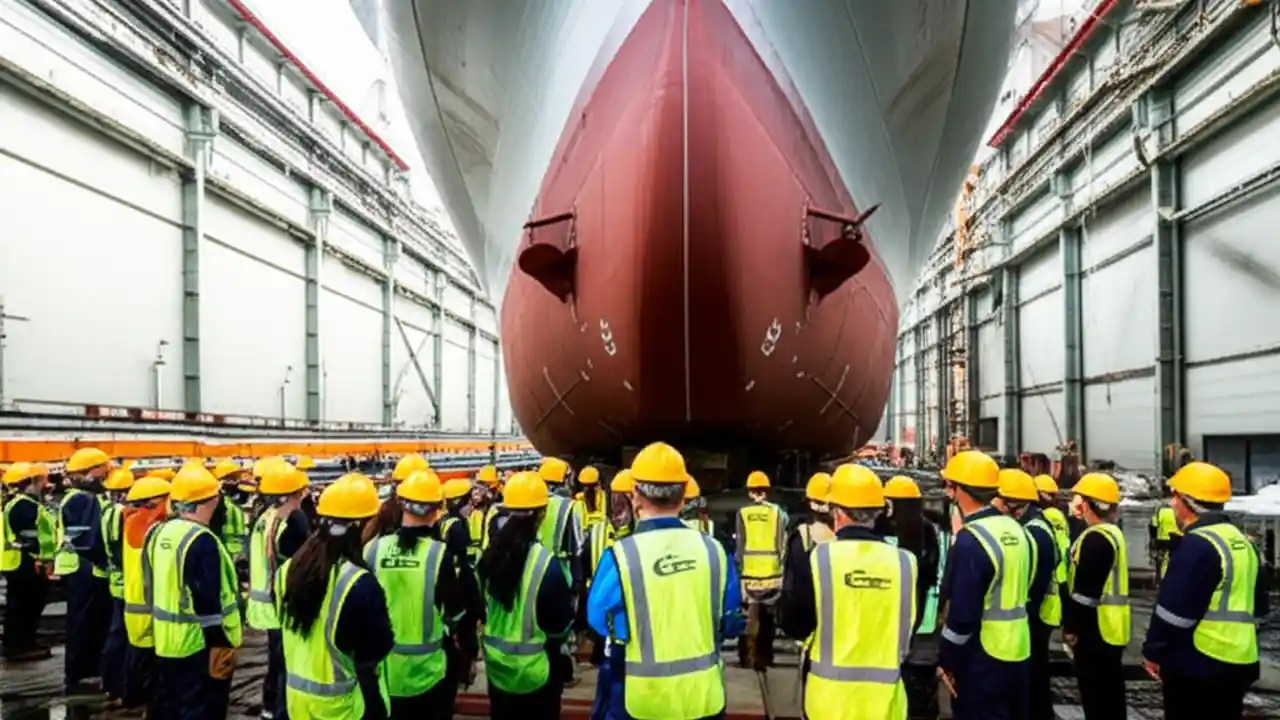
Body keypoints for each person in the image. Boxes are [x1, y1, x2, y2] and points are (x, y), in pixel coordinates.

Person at [587, 442, 742, 720]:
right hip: (702, 698)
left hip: (642, 700)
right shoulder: (714, 551)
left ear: (635, 496)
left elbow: (599, 620)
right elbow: (729, 621)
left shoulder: (621, 556)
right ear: (684, 497)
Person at [780, 464, 918, 719]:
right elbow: (911, 626)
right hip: (886, 704)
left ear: (838, 512)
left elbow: (793, 622)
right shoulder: (904, 562)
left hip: (830, 702)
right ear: (878, 512)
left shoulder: (819, 559)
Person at [1142, 462, 1267, 720]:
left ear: (1185, 501)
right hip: (1239, 661)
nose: (1172, 504)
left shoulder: (1198, 544)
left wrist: (1153, 651)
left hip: (1198, 663)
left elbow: (1173, 613)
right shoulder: (1243, 543)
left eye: (1174, 497)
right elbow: (1261, 609)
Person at [277, 474, 395, 719]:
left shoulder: (288, 570)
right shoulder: (358, 583)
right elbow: (376, 648)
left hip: (297, 701)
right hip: (340, 707)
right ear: (360, 525)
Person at [366, 469, 482, 718]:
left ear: (401, 504)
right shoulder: (439, 555)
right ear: (435, 510)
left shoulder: (374, 549)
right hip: (428, 673)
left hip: (385, 672)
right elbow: (455, 613)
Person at [936, 450, 1032, 720]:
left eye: (950, 486)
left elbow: (962, 617)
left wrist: (947, 660)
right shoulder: (1016, 529)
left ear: (959, 491)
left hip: (983, 656)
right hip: (1019, 649)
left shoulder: (971, 540)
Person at [147, 463, 243, 720]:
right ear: (205, 502)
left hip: (167, 641)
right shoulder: (202, 540)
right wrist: (219, 644)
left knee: (171, 705)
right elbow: (206, 601)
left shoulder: (159, 532)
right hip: (198, 643)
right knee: (202, 708)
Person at [479, 471, 575, 719]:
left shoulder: (490, 557)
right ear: (542, 514)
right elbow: (559, 625)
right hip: (536, 673)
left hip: (497, 669)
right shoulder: (545, 564)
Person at [245, 460, 309, 720]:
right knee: (285, 664)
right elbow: (301, 568)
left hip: (265, 603)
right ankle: (280, 711)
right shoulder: (293, 521)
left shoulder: (266, 517)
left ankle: (270, 707)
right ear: (296, 492)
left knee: (275, 662)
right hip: (281, 605)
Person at [1063, 473, 1129, 720]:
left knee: (1098, 699)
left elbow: (1084, 595)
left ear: (1089, 504)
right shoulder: (1113, 533)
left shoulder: (1096, 539)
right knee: (1111, 696)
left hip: (1096, 632)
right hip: (1111, 629)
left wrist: (1071, 628)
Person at [880, 475, 945, 720]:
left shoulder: (881, 529)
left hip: (892, 625)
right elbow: (931, 570)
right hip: (921, 627)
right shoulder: (928, 530)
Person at [994, 469, 1057, 720]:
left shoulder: (1035, 533)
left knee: (1035, 678)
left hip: (1036, 617)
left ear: (1014, 504)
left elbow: (1034, 584)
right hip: (1036, 615)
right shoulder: (1035, 525)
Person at [55, 446, 115, 693]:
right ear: (93, 470)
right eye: (105, 467)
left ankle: (84, 669)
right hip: (84, 569)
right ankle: (80, 673)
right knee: (85, 622)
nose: (108, 472)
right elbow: (88, 540)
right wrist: (105, 563)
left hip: (82, 568)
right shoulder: (82, 499)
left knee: (87, 621)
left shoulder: (82, 497)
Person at [121, 474, 172, 710]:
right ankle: (137, 702)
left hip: (134, 601)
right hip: (146, 604)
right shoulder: (147, 526)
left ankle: (131, 698)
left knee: (136, 654)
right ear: (153, 501)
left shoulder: (131, 520)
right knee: (144, 661)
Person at [2, 462, 56, 661]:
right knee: (24, 607)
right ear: (31, 481)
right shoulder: (25, 506)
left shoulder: (21, 503)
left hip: (23, 563)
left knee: (22, 607)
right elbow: (31, 538)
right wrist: (41, 559)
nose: (45, 484)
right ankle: (19, 647)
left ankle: (22, 643)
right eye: (42, 480)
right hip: (27, 564)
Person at [735, 469, 783, 669]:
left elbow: (740, 545)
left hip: (750, 575)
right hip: (772, 574)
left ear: (750, 492)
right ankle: (766, 657)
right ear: (767, 491)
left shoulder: (743, 513)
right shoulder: (777, 512)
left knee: (749, 619)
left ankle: (746, 657)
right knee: (768, 619)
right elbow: (782, 543)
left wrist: (740, 570)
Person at [100, 466, 136, 704]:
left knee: (116, 633)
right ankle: (119, 685)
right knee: (123, 636)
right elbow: (122, 548)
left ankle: (110, 683)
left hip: (115, 580)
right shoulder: (123, 514)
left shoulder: (106, 512)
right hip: (126, 583)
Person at [212, 460, 251, 563]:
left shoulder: (232, 498)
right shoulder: (218, 499)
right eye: (233, 478)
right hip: (226, 547)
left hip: (239, 545)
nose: (236, 481)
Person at [438, 477, 476, 566]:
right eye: (468, 500)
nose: (471, 505)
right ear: (458, 502)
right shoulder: (457, 525)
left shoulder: (444, 519)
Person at [1149, 488, 1183, 585]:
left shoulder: (1160, 509)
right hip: (1177, 538)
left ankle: (1158, 578)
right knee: (1174, 559)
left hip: (1162, 537)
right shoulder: (1179, 509)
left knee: (1160, 558)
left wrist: (1153, 538)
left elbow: (1154, 524)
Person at [574, 466, 606, 533]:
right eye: (584, 485)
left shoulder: (603, 496)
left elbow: (603, 518)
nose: (586, 489)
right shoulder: (578, 498)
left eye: (589, 486)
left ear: (598, 484)